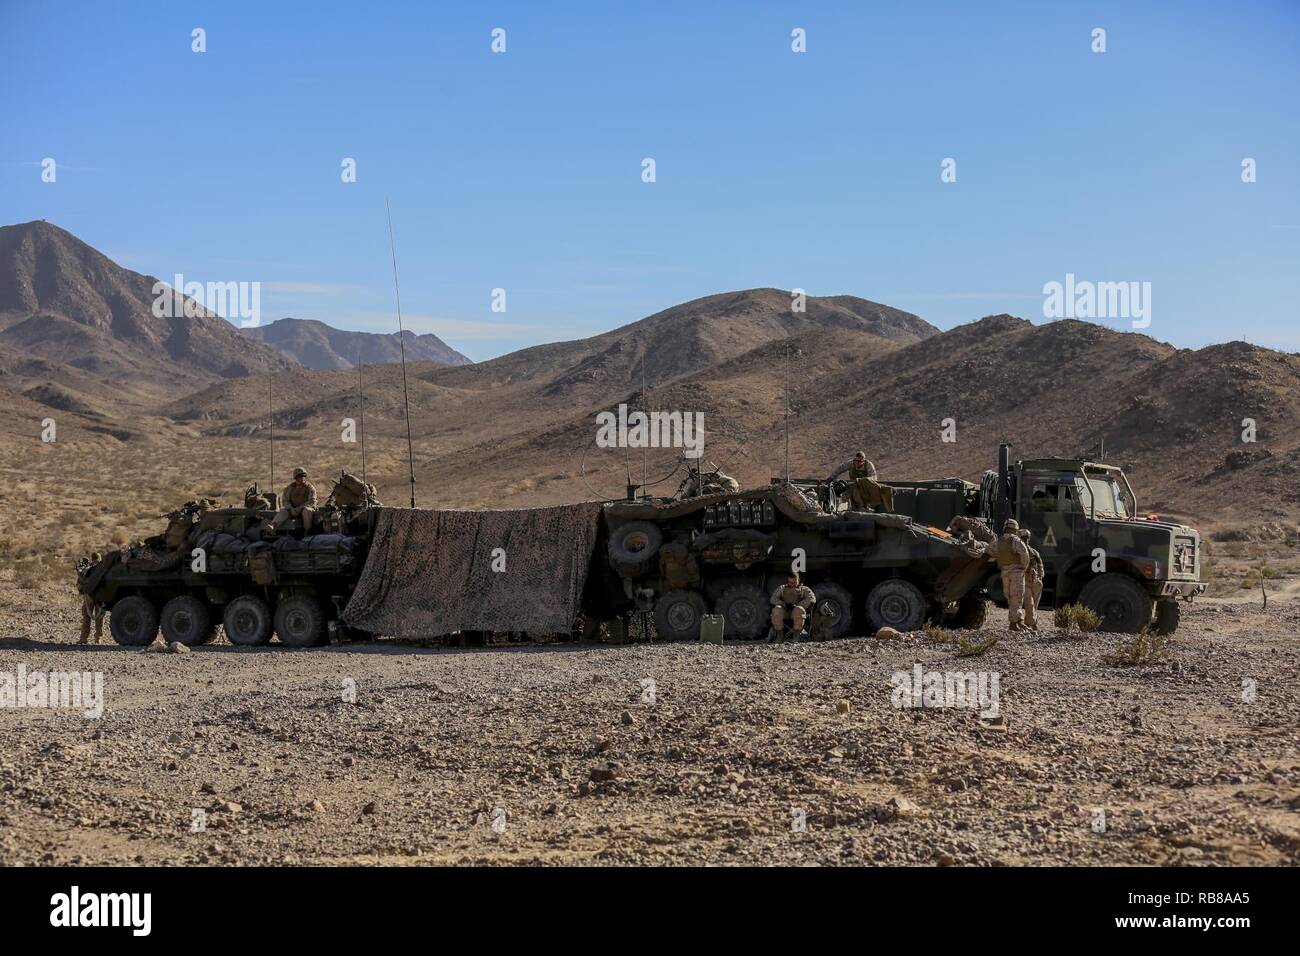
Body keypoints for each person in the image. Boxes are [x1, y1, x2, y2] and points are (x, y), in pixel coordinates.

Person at [993, 518, 1031, 631]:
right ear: (1015, 529)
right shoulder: (1016, 540)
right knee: (1017, 596)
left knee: (1010, 597)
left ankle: (1018, 621)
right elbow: (1025, 554)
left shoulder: (998, 541)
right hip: (1016, 572)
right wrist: (1024, 567)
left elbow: (990, 550)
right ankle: (1014, 623)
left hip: (1004, 572)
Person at [770, 573, 816, 641]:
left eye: (794, 582)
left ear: (798, 580)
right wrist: (783, 604)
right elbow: (773, 599)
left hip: (796, 613)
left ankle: (796, 635)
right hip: (785, 612)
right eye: (790, 582)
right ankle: (779, 635)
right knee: (777, 610)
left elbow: (812, 599)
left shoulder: (804, 589)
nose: (792, 584)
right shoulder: (782, 588)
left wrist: (798, 605)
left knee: (799, 609)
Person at [272, 467, 318, 533]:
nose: (302, 478)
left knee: (307, 511)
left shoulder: (309, 487)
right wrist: (291, 508)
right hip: (293, 510)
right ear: (296, 478)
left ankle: (307, 532)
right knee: (284, 511)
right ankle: (273, 525)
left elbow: (312, 501)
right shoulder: (289, 488)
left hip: (305, 509)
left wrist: (300, 508)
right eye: (300, 476)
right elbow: (285, 501)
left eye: (304, 476)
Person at [1018, 528, 1044, 632]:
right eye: (1024, 538)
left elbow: (1040, 565)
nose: (1025, 540)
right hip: (1029, 581)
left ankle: (1031, 623)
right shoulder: (1024, 552)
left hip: (1032, 581)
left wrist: (1039, 577)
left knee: (1033, 604)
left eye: (1026, 538)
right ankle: (1032, 624)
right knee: (1030, 603)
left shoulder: (1031, 552)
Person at [77, 552, 105, 644]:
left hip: (88, 596)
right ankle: (98, 638)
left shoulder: (87, 569)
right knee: (99, 617)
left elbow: (80, 584)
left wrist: (82, 591)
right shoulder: (104, 568)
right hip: (100, 596)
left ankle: (83, 638)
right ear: (100, 559)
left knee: (86, 616)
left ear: (92, 559)